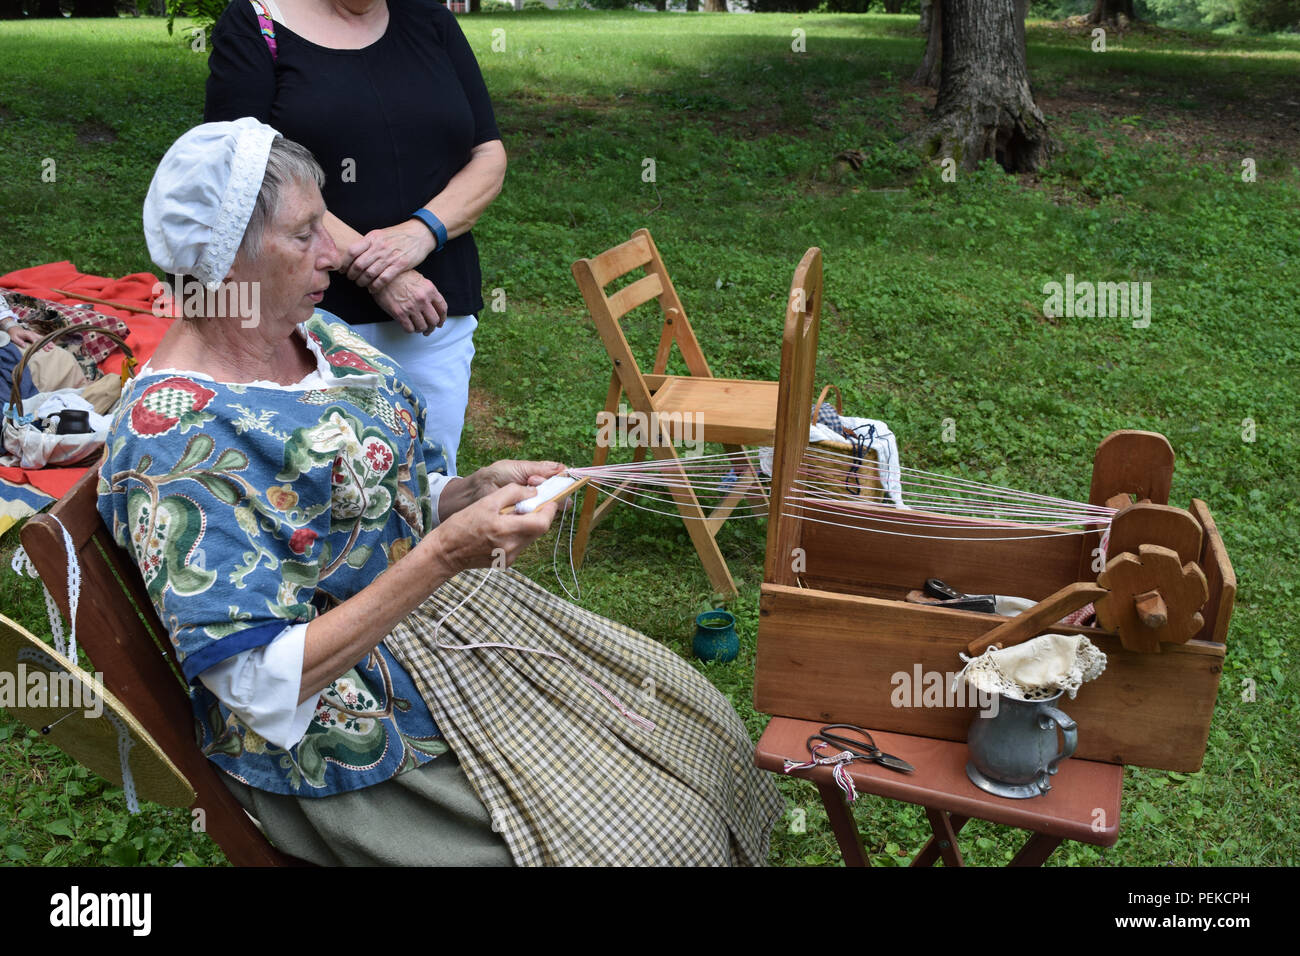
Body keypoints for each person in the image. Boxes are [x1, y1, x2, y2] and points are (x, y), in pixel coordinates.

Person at [98, 119, 782, 866]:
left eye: (324, 220)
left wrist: (460, 494)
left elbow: (367, 489)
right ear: (227, 264)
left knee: (697, 724)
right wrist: (448, 554)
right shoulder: (173, 441)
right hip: (344, 739)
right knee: (643, 845)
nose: (337, 251)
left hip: (434, 631)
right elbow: (259, 687)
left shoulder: (314, 332)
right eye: (304, 236)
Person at [204, 0, 507, 475]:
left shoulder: (430, 20)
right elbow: (244, 172)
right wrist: (381, 273)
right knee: (319, 489)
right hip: (307, 318)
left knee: (426, 484)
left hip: (431, 314)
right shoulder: (256, 22)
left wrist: (421, 233)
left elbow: (488, 154)